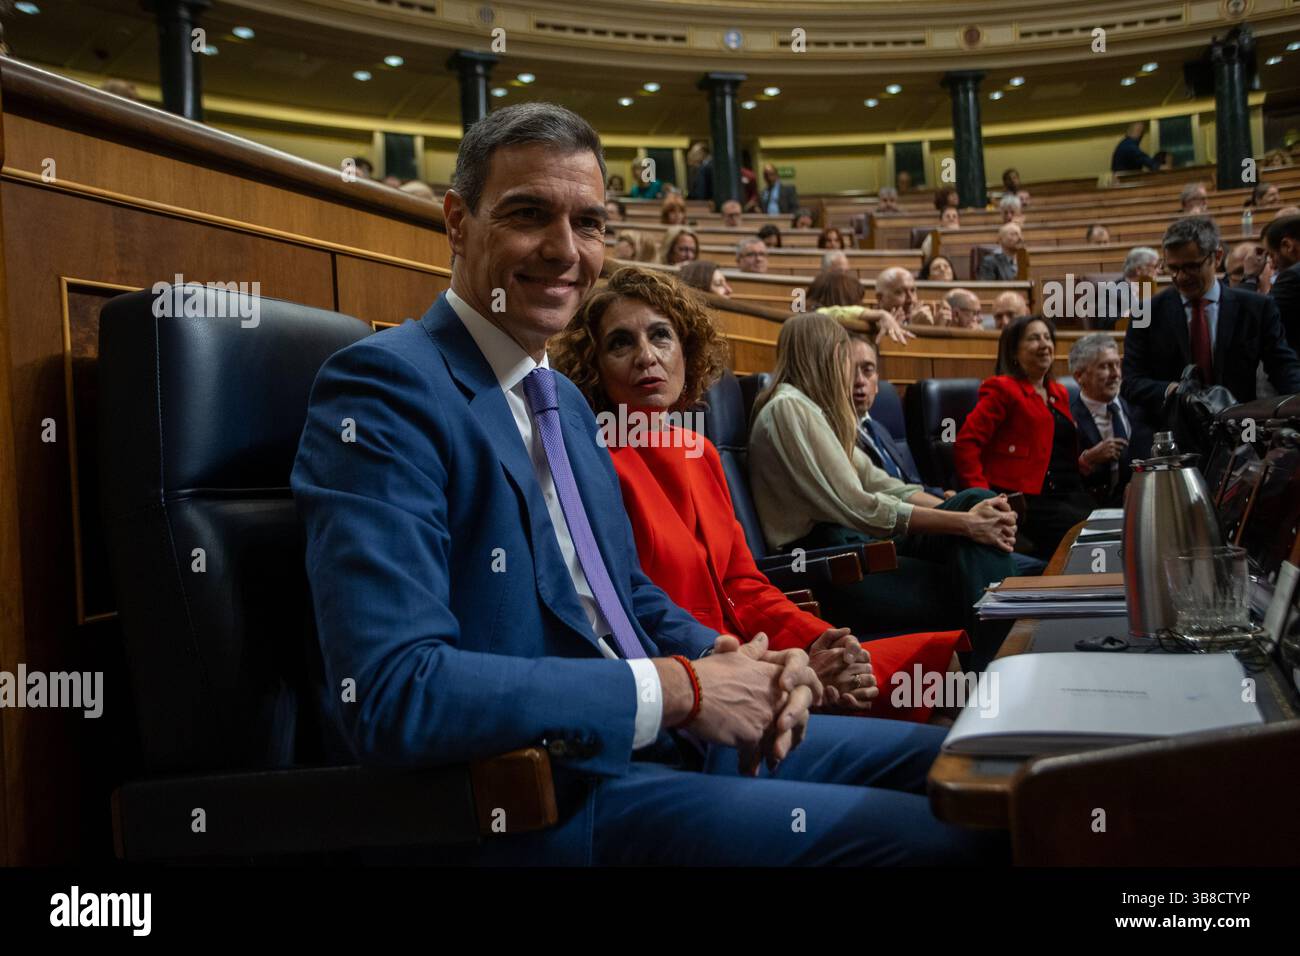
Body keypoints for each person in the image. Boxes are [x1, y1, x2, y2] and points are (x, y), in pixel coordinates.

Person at [292, 101, 1000, 866]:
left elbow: (624, 594)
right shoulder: (385, 386)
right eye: (530, 214)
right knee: (942, 844)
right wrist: (679, 690)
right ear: (458, 222)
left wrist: (743, 663)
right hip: (548, 795)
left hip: (671, 740)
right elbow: (395, 691)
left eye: (589, 223)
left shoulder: (561, 398)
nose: (565, 250)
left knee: (989, 782)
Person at [551, 267, 970, 723]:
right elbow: (636, 609)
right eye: (620, 343)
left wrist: (821, 642)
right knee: (931, 714)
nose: (646, 356)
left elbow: (742, 584)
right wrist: (788, 667)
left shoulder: (700, 451)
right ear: (593, 366)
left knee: (940, 668)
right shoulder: (595, 462)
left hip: (769, 650)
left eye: (661, 336)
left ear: (686, 351)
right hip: (699, 679)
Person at [747, 313, 1017, 667]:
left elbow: (882, 483)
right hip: (832, 564)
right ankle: (999, 664)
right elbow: (859, 507)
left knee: (978, 500)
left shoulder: (811, 408)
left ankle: (994, 661)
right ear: (825, 356)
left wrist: (966, 512)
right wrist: (965, 524)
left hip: (856, 544)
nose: (851, 373)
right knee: (970, 584)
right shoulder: (789, 408)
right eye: (846, 359)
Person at [1121, 216, 1300, 424]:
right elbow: (1131, 383)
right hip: (1169, 431)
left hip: (1239, 429)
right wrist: (1174, 391)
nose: (1181, 277)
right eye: (1173, 268)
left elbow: (1283, 367)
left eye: (1191, 267)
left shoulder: (1256, 308)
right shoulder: (1146, 312)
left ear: (1216, 257)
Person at [954, 316, 1094, 560]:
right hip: (1029, 503)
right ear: (1014, 352)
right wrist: (984, 498)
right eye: (1033, 338)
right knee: (1088, 531)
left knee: (1112, 522)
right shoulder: (1003, 389)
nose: (1044, 344)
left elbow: (1053, 449)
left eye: (1047, 337)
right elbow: (967, 443)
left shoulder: (1057, 392)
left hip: (1069, 492)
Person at [850, 336, 949, 500]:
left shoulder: (879, 429)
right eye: (850, 370)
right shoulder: (836, 434)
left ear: (877, 383)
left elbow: (908, 482)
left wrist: (942, 495)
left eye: (868, 370)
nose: (860, 380)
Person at [1068, 333, 1149, 508]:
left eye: (1117, 365)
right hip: (1090, 511)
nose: (1115, 374)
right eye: (1104, 367)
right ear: (1079, 376)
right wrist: (1087, 460)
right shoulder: (1068, 419)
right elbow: (1062, 479)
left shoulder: (1139, 408)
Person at [807, 269, 912, 345]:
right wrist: (882, 314)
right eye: (858, 300)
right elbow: (828, 313)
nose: (861, 305)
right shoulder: (815, 317)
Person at [1265, 214, 1300, 345]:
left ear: (1287, 245)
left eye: (1271, 255)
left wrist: (1250, 279)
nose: (1272, 265)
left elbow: (1257, 321)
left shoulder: (1293, 277)